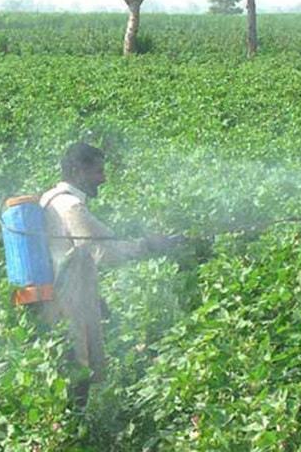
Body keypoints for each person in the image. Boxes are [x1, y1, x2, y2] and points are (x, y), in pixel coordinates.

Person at [36, 142, 181, 405]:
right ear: (77, 171)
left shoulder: (50, 199)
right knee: (77, 372)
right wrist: (148, 246)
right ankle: (74, 427)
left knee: (68, 370)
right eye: (98, 171)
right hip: (68, 302)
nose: (103, 179)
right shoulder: (71, 206)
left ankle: (70, 424)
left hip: (61, 298)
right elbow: (102, 252)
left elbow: (77, 253)